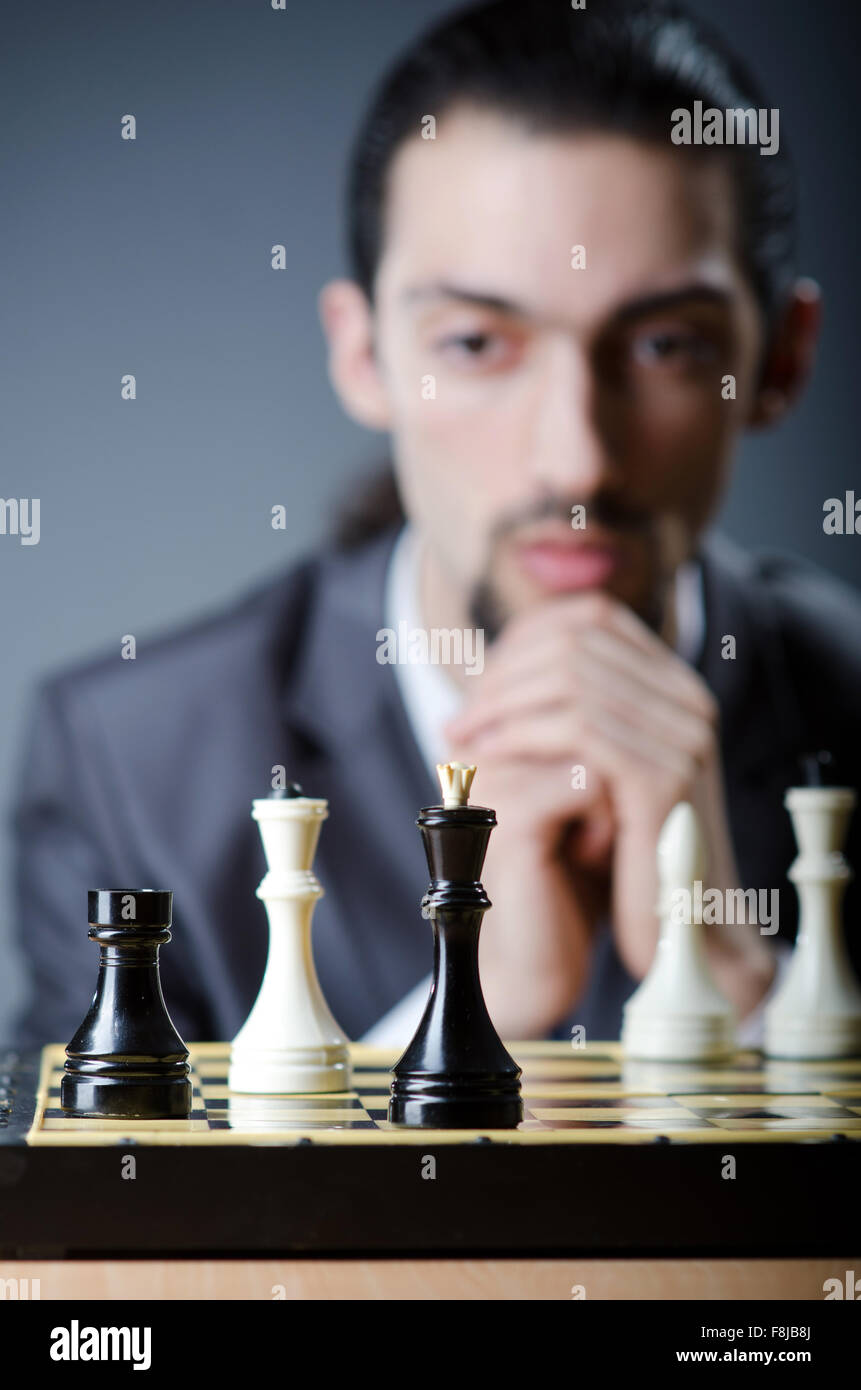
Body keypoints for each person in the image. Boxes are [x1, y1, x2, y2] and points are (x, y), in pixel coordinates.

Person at [12, 0, 861, 1049]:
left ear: (780, 361)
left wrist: (748, 991)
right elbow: (92, 1210)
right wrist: (473, 1003)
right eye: (474, 342)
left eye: (665, 348)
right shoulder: (128, 769)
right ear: (362, 354)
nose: (576, 459)